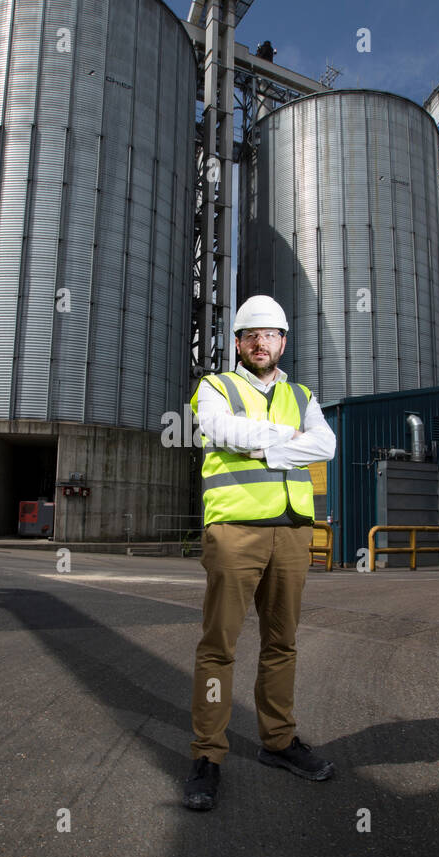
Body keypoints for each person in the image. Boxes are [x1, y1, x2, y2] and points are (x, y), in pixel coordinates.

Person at [182, 294, 337, 812]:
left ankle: (278, 741)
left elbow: (326, 445)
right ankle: (207, 754)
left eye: (270, 335)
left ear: (283, 341)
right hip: (235, 528)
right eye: (251, 335)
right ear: (238, 344)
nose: (260, 343)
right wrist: (286, 438)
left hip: (292, 530)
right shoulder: (215, 387)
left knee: (282, 642)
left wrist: (263, 444)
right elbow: (219, 429)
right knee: (218, 644)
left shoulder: (301, 393)